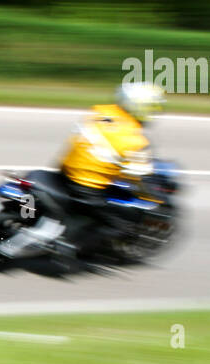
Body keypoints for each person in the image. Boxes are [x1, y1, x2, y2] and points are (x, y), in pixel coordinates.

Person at [44, 82, 165, 267]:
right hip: (86, 187)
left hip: (65, 171)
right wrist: (152, 195)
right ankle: (68, 247)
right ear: (141, 106)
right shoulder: (135, 139)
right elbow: (138, 175)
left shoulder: (99, 112)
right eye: (152, 107)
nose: (154, 111)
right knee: (118, 225)